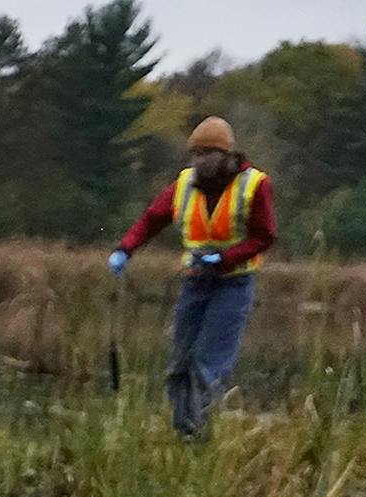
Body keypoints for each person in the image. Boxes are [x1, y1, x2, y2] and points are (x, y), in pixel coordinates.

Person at [107, 115, 276, 438]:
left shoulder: (255, 185)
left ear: (225, 155)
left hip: (233, 284)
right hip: (195, 281)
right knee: (179, 363)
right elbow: (152, 219)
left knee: (208, 364)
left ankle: (197, 435)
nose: (201, 161)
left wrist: (225, 258)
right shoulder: (184, 184)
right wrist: (125, 249)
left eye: (208, 154)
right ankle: (181, 431)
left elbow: (265, 236)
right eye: (196, 154)